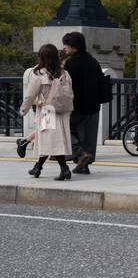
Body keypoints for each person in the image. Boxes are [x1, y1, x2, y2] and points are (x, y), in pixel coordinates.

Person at [19, 44, 74, 181]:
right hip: (62, 110)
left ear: (42, 57)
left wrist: (23, 110)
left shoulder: (39, 74)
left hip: (47, 110)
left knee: (51, 141)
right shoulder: (64, 73)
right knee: (50, 141)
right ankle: (38, 167)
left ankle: (64, 169)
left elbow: (30, 95)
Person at [60, 31, 104, 173]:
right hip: (93, 105)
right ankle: (84, 165)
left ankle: (81, 154)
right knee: (89, 136)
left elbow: (65, 86)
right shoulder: (93, 61)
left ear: (73, 46)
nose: (64, 48)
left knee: (65, 129)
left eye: (66, 45)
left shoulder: (70, 63)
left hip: (76, 105)